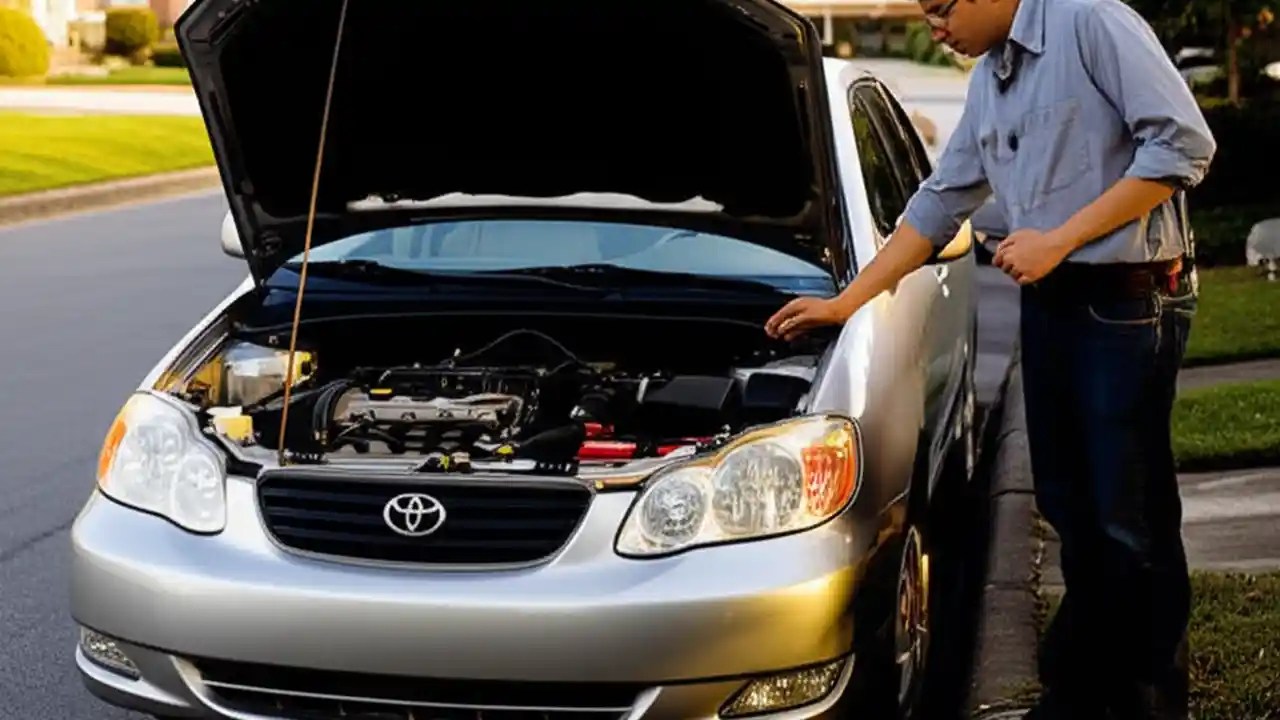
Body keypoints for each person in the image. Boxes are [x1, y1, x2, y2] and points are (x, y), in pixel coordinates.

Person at [765, 0, 1216, 718]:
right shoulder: (990, 81)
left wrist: (1057, 239)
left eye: (942, 10)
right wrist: (845, 304)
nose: (935, 27)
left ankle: (1149, 701)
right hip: (1051, 301)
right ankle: (1086, 690)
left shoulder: (1091, 21)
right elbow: (941, 202)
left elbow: (1184, 147)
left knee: (1126, 520)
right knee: (1070, 507)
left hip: (1125, 303)